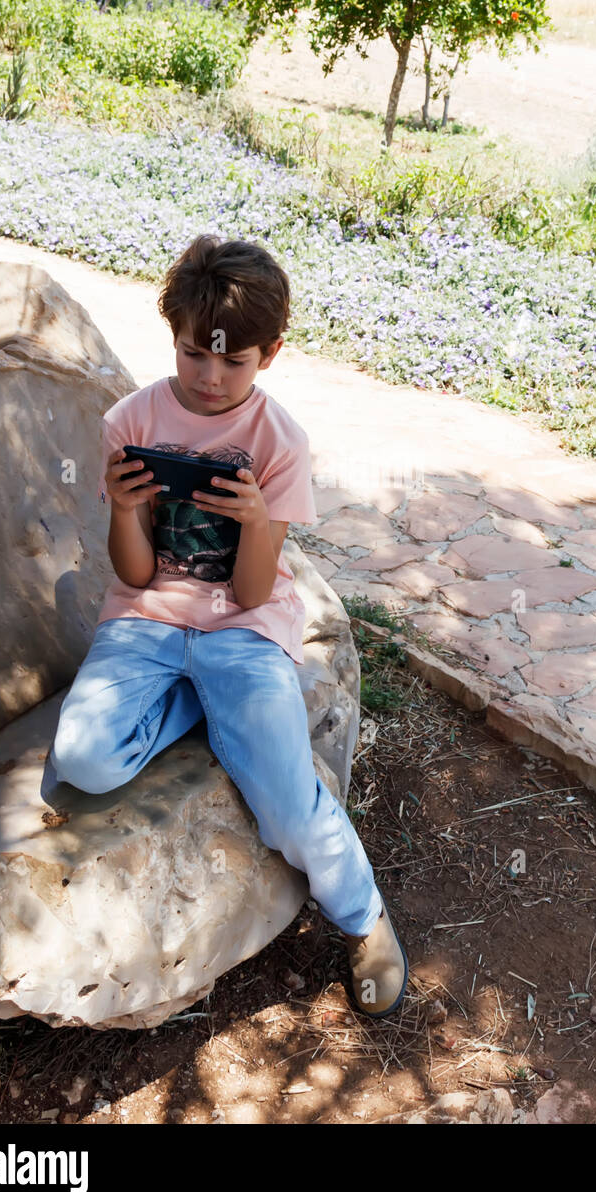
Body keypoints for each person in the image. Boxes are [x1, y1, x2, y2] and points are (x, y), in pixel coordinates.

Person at [40, 233, 407, 1018]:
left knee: (283, 796)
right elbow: (134, 576)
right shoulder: (132, 419)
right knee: (81, 759)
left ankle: (363, 914)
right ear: (172, 335)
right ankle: (198, 710)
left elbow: (248, 593)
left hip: (243, 626)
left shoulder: (281, 445)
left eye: (232, 362)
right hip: (147, 617)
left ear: (270, 354)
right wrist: (130, 506)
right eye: (191, 354)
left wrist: (257, 519)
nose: (208, 378)